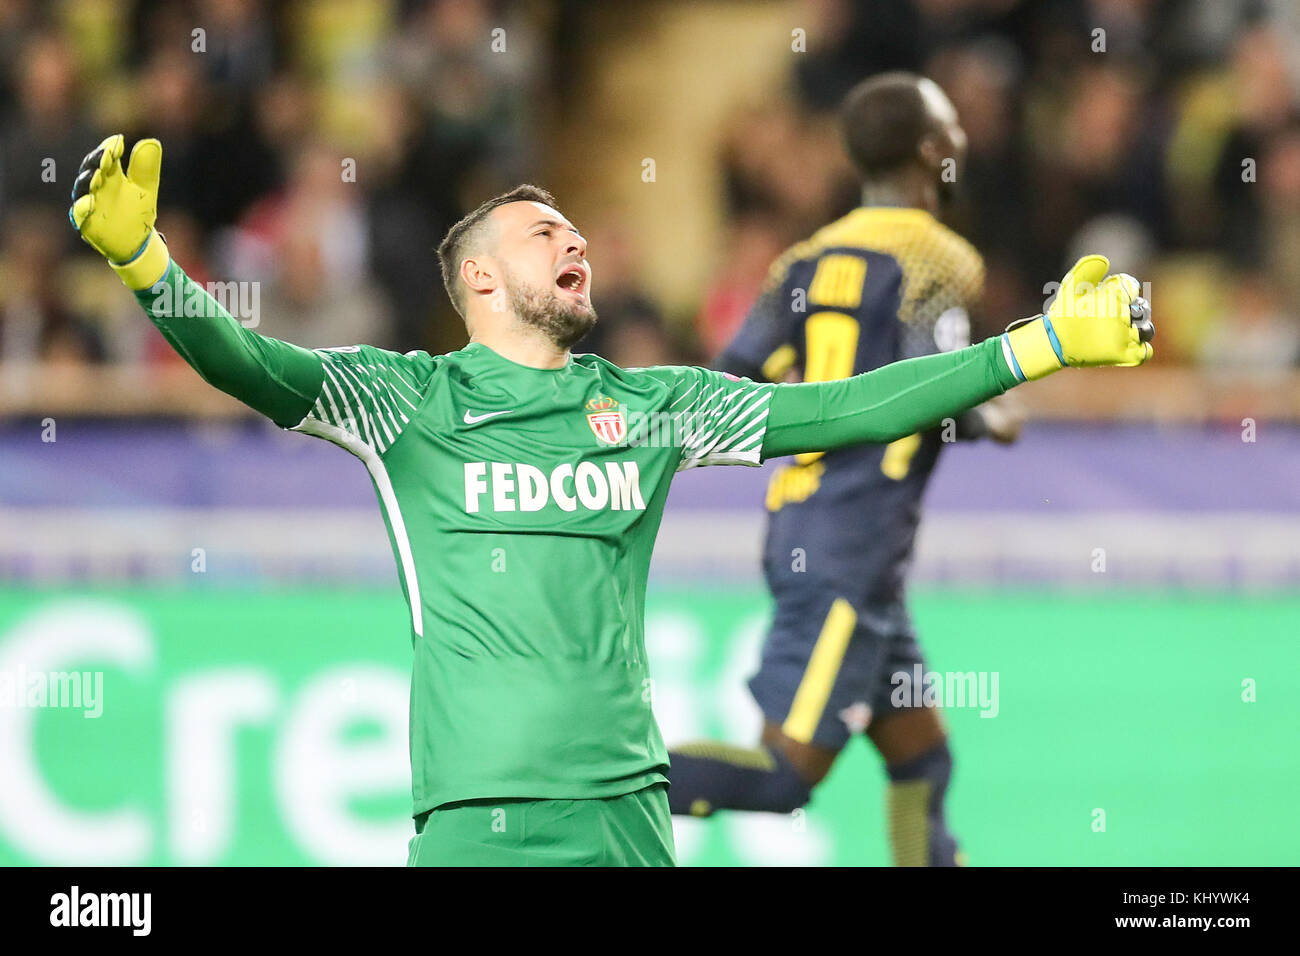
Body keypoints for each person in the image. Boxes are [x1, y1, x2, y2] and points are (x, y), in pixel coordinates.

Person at [68, 132, 1151, 867]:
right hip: (470, 821)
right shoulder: (404, 399)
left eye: (576, 231)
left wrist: (1037, 343)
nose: (575, 240)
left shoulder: (651, 405)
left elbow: (846, 410)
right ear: (482, 280)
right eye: (546, 233)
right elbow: (250, 362)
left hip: (626, 812)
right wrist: (145, 260)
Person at [666, 73, 1035, 865]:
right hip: (850, 547)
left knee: (923, 757)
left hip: (825, 535)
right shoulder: (941, 260)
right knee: (782, 777)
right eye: (954, 132)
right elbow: (936, 389)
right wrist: (995, 412)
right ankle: (593, 783)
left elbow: (732, 379)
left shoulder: (804, 258)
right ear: (935, 151)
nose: (962, 145)